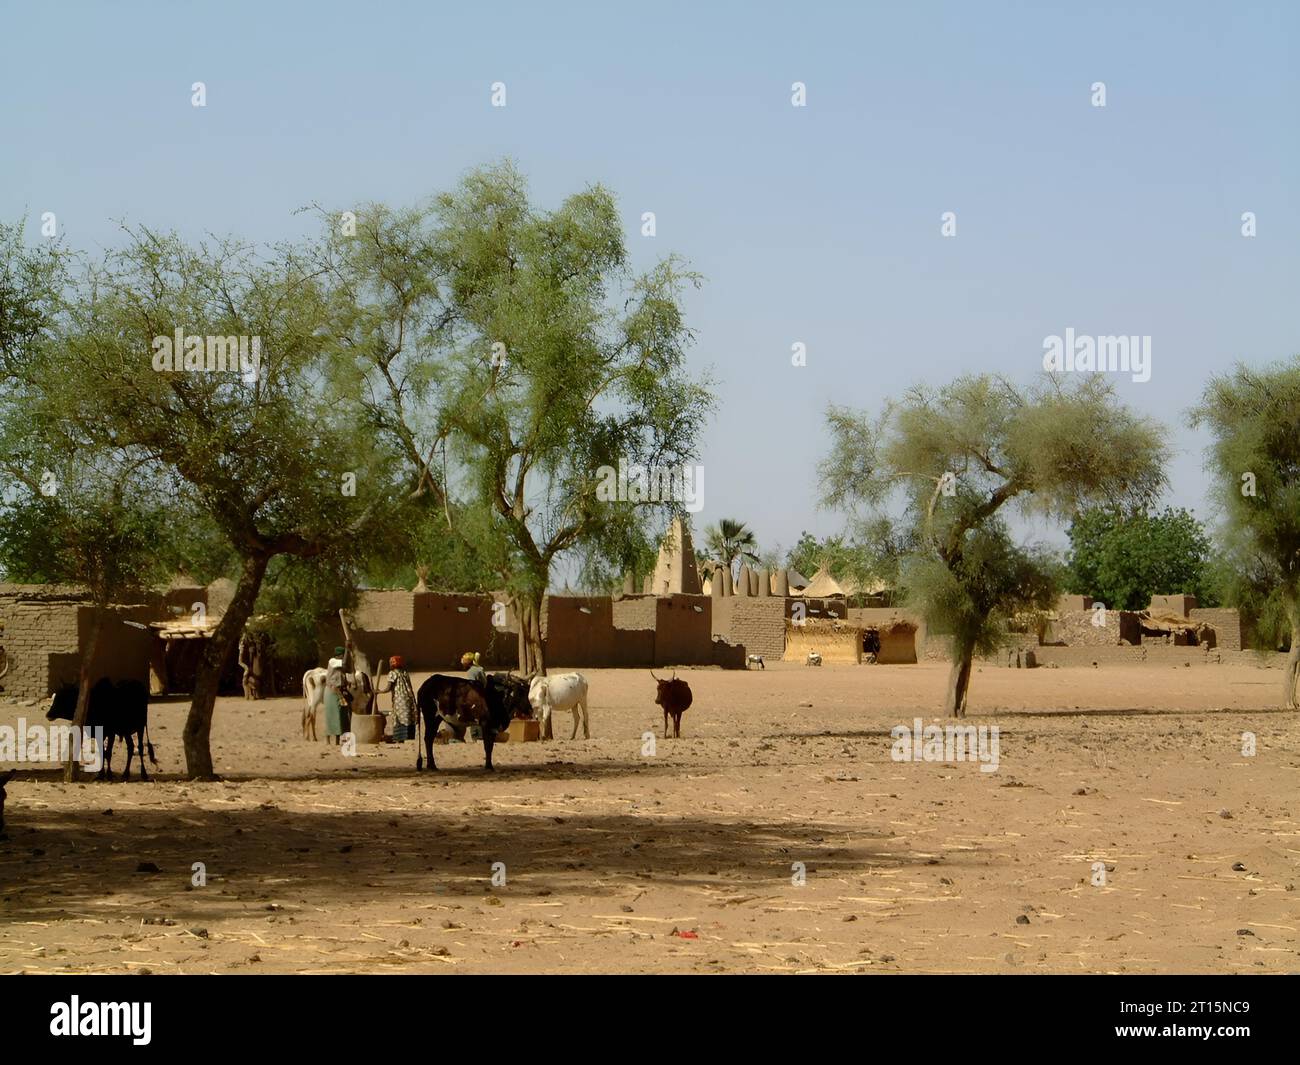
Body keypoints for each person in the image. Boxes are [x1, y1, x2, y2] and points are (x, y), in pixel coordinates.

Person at [377, 655, 416, 742]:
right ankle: (409, 736)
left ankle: (400, 738)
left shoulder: (392, 673)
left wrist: (379, 692)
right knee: (408, 717)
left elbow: (388, 688)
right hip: (409, 697)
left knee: (400, 718)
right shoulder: (404, 672)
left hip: (399, 699)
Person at [324, 645, 352, 745]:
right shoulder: (332, 661)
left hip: (339, 691)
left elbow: (349, 669)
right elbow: (344, 662)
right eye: (342, 655)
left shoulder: (340, 666)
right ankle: (327, 740)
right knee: (332, 716)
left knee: (341, 715)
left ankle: (337, 741)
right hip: (332, 691)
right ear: (339, 655)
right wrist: (347, 651)